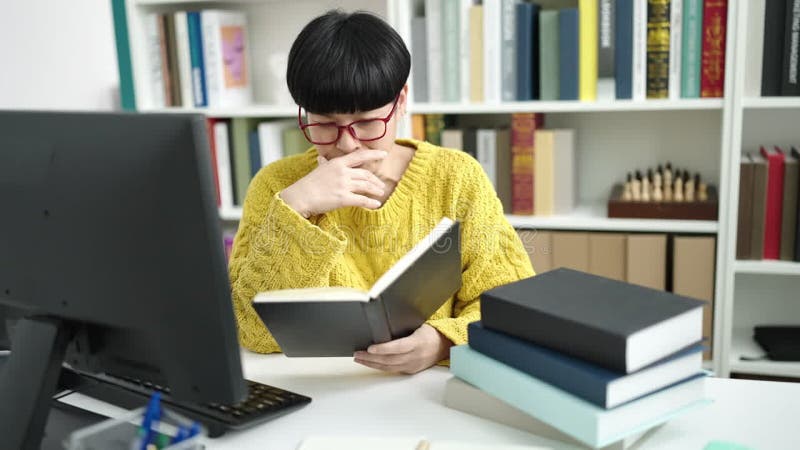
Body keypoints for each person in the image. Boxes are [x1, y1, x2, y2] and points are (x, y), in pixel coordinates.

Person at [228, 10, 534, 374]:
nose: (346, 145)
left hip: (426, 391)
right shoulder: (276, 186)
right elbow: (252, 331)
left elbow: (511, 305)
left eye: (368, 123)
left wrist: (443, 340)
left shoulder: (456, 178)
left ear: (401, 101)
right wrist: (296, 208)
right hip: (314, 391)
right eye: (324, 125)